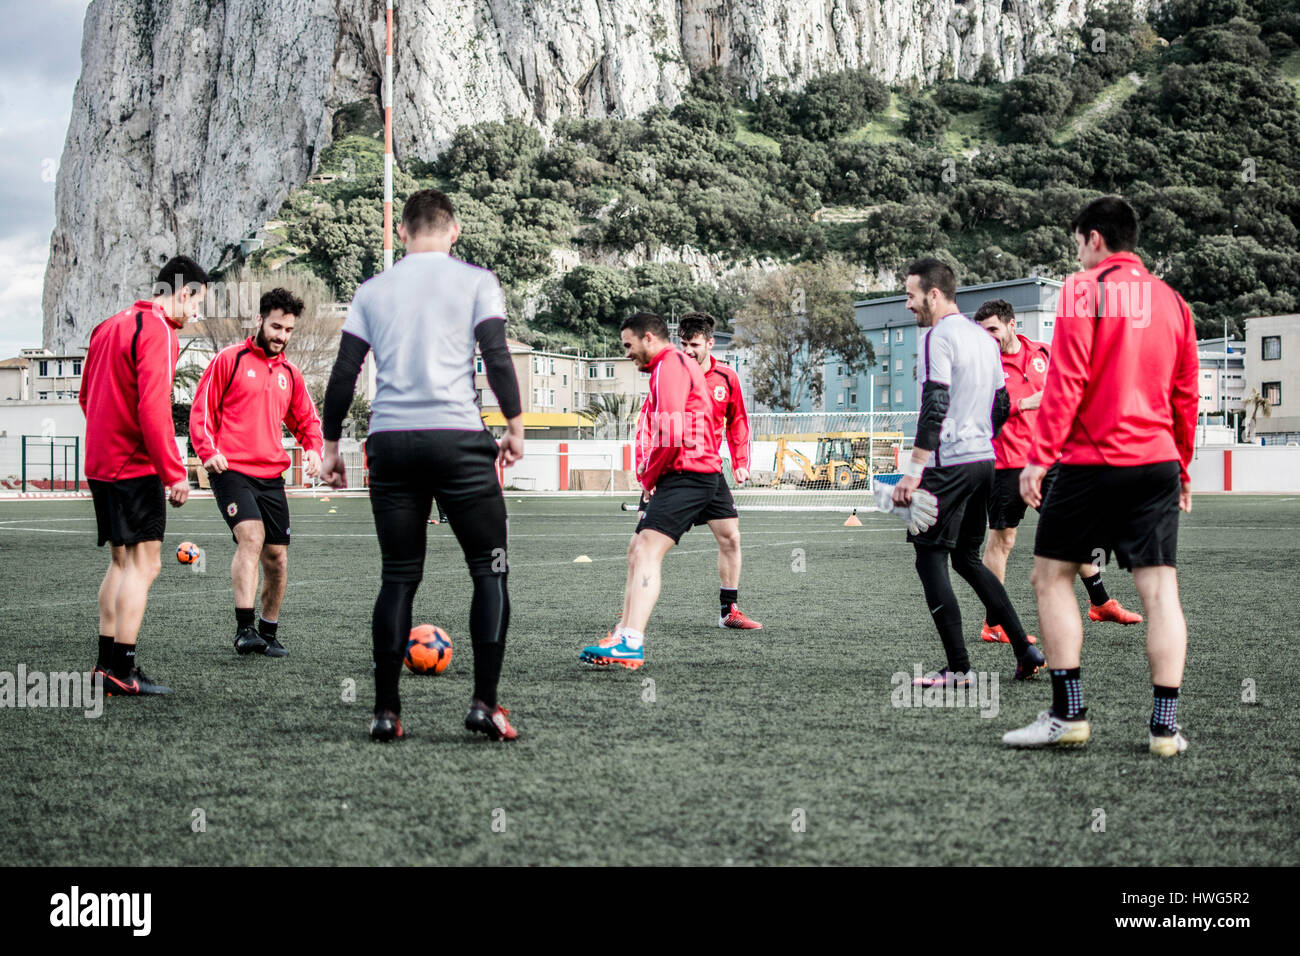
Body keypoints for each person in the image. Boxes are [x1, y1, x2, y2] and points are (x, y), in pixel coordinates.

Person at [319, 189, 524, 743]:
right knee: (491, 569)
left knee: (399, 577)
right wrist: (515, 424)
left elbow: (343, 374)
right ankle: (485, 704)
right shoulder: (477, 281)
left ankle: (386, 711)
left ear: (403, 233)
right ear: (453, 231)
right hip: (459, 441)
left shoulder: (372, 289)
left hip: (392, 444)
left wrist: (331, 446)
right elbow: (498, 354)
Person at [1003, 196, 1199, 756]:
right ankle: (1164, 728)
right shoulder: (1174, 302)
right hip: (1156, 461)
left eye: (1077, 242)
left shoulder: (1084, 289)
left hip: (1092, 461)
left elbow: (1066, 380)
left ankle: (1069, 716)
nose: (1077, 254)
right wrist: (1183, 467)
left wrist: (1039, 456)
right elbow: (1186, 395)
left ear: (1093, 239)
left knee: (1050, 577)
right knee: (1161, 591)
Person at [891, 259, 1046, 688]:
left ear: (934, 295)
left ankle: (959, 668)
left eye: (910, 295)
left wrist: (913, 471)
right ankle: (1025, 648)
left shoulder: (936, 337)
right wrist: (980, 441)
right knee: (967, 557)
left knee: (929, 557)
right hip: (985, 463)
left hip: (948, 465)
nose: (908, 304)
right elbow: (999, 406)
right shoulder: (983, 339)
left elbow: (935, 405)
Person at [973, 298, 1142, 641]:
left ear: (1011, 325)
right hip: (1005, 462)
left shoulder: (1043, 354)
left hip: (1049, 459)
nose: (987, 337)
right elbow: (980, 414)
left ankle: (1100, 603)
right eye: (982, 332)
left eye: (992, 329)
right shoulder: (982, 364)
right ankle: (993, 624)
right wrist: (1023, 404)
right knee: (1003, 540)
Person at [81, 255, 206, 696]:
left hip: (99, 462)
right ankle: (122, 669)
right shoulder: (157, 330)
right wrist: (173, 472)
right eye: (196, 304)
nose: (195, 315)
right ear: (184, 291)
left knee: (120, 563)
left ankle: (103, 666)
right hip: (133, 466)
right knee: (145, 564)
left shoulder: (107, 325)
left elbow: (85, 397)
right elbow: (152, 408)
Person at [580, 312, 721, 669]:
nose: (626, 353)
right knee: (637, 548)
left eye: (628, 345)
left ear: (648, 338)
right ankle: (623, 634)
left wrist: (648, 479)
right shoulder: (667, 367)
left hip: (690, 474)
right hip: (686, 472)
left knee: (646, 551)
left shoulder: (670, 365)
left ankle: (631, 642)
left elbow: (672, 433)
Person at [189, 288, 324, 658]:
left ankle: (268, 631)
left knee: (277, 557)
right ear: (260, 321)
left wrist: (313, 449)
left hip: (271, 477)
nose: (281, 335)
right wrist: (208, 451)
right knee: (251, 537)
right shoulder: (228, 361)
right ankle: (244, 630)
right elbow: (200, 413)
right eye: (276, 326)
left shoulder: (291, 375)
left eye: (288, 330)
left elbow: (308, 421)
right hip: (230, 469)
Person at [625, 311, 761, 630]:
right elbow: (651, 424)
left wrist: (741, 462)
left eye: (695, 344)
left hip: (706, 471)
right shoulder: (672, 371)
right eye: (683, 343)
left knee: (731, 537)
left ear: (710, 344)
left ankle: (729, 611)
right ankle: (632, 612)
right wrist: (646, 472)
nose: (688, 349)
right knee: (640, 544)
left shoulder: (726, 378)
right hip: (672, 470)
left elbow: (738, 420)